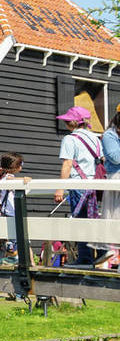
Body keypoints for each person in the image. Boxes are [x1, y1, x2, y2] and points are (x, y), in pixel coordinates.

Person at [54, 105, 106, 267]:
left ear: (74, 122)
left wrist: (60, 188)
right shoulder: (95, 139)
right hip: (95, 184)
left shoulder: (70, 139)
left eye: (68, 121)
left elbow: (67, 165)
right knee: (92, 219)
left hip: (79, 185)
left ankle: (84, 258)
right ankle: (102, 250)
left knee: (80, 222)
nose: (66, 123)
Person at [100, 105, 120, 270]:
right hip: (117, 180)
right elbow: (115, 157)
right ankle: (114, 258)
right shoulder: (109, 135)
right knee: (116, 219)